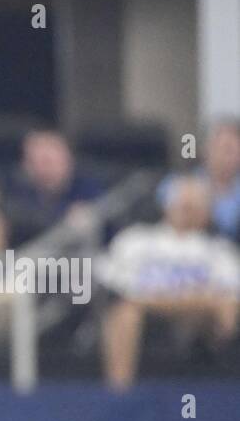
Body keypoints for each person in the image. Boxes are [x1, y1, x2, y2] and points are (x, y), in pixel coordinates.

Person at [98, 176, 240, 388]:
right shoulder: (136, 239)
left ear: (207, 212)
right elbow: (114, 285)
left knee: (226, 309)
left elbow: (230, 297)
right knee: (124, 312)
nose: (187, 211)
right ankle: (119, 396)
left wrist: (167, 299)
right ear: (167, 206)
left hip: (199, 321)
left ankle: (224, 392)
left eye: (194, 207)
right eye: (182, 205)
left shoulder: (219, 251)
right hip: (146, 315)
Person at [155, 118, 240, 239]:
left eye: (236, 151)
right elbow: (163, 201)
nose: (231, 157)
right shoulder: (183, 180)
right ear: (206, 149)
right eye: (226, 149)